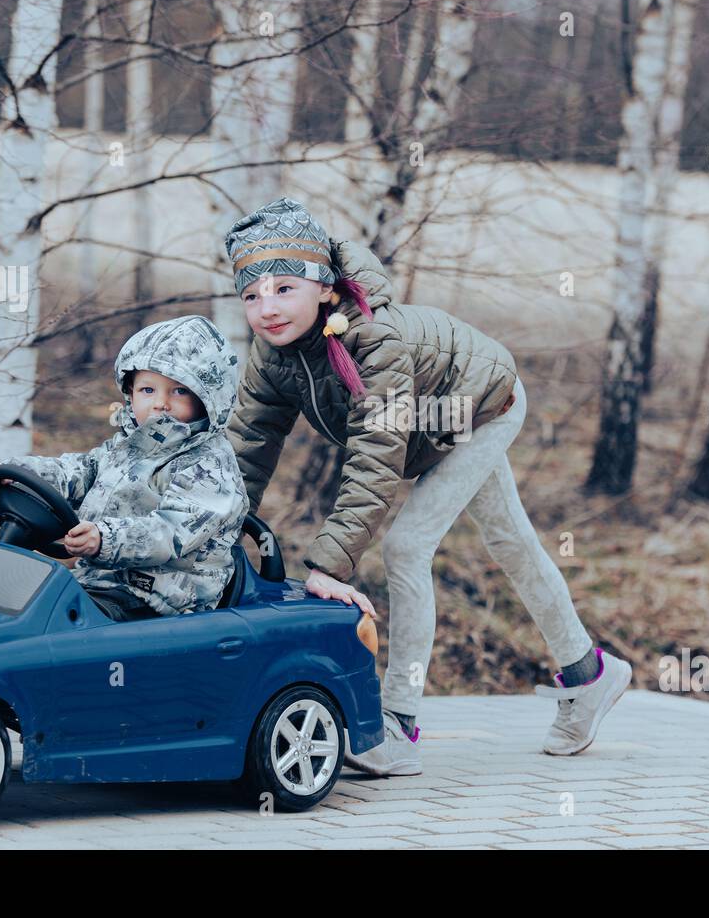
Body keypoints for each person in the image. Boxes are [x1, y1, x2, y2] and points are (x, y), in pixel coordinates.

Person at [223, 195, 632, 776]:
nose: (267, 307)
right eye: (251, 294)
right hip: (431, 427)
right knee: (511, 543)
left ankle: (398, 721)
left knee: (406, 547)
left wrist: (330, 565)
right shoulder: (272, 355)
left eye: (284, 288)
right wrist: (209, 531)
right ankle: (590, 674)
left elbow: (374, 458)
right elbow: (249, 447)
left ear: (324, 288)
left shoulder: (374, 341)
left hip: (482, 405)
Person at [0, 315, 248, 621]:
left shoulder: (210, 467)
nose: (160, 404)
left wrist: (104, 539)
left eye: (179, 391)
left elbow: (168, 532)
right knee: (0, 598)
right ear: (130, 393)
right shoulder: (128, 446)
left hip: (161, 599)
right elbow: (77, 471)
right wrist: (11, 472)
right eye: (148, 390)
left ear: (209, 400)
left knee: (51, 622)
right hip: (99, 581)